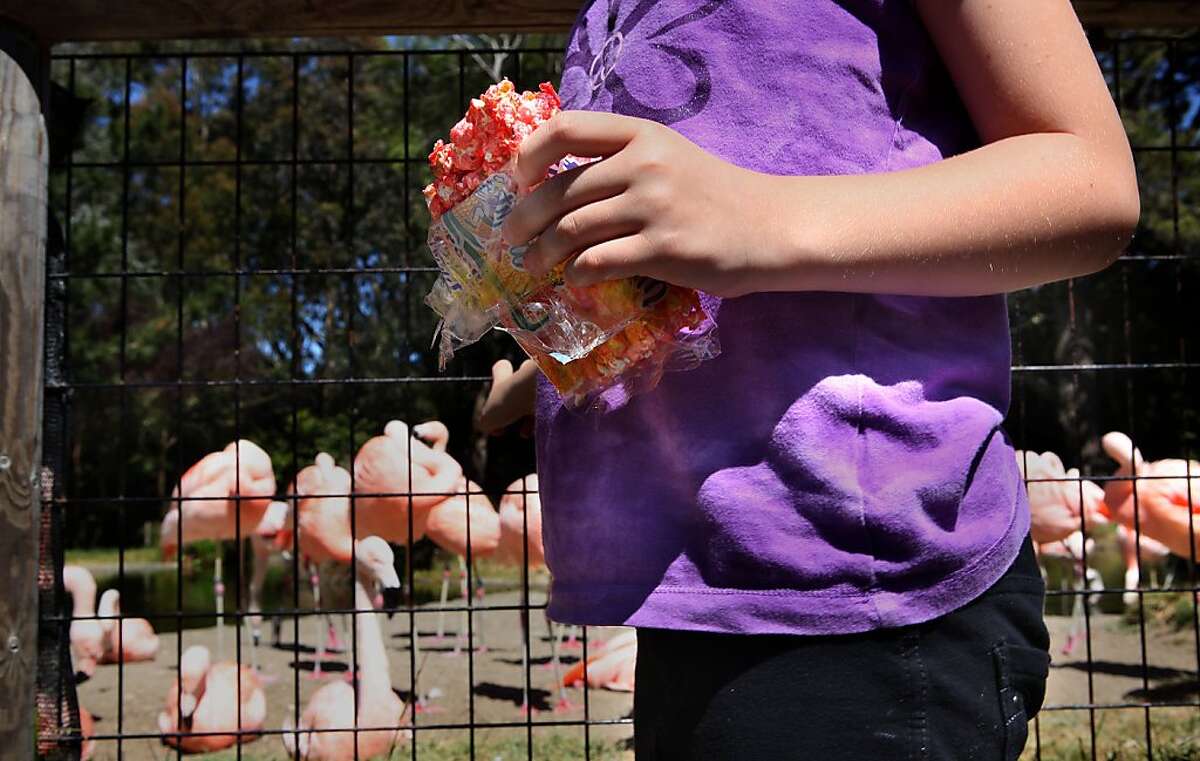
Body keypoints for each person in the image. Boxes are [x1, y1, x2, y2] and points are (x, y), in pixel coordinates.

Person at [479, 1, 1138, 759]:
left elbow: (1092, 178)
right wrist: (546, 364)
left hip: (863, 592)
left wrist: (760, 218)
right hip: (691, 584)